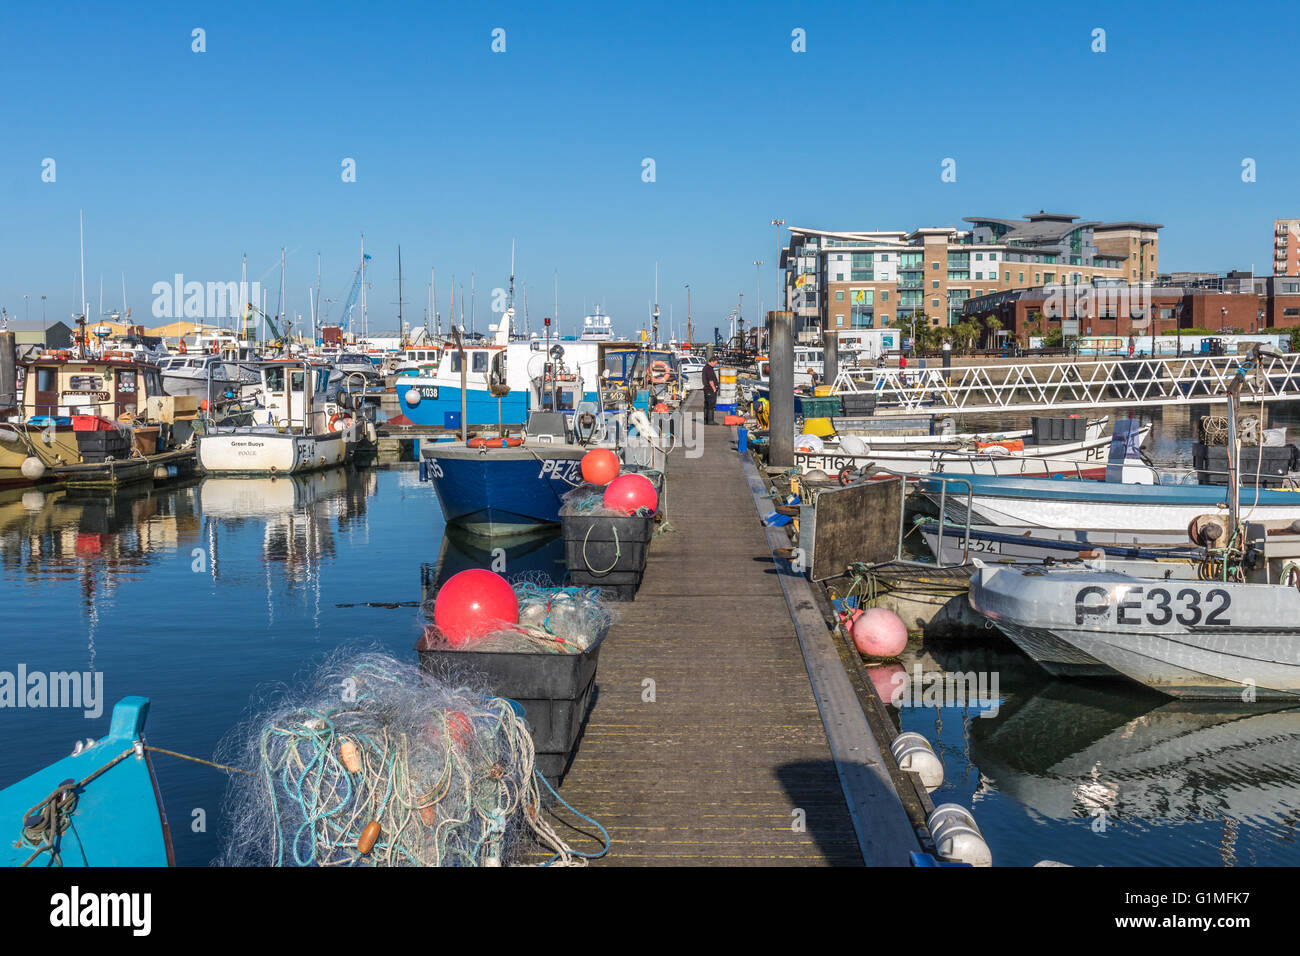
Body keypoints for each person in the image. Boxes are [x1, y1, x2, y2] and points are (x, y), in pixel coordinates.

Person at [701, 356, 719, 424]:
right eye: (715, 363)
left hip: (706, 389)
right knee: (711, 405)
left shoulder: (705, 367)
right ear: (711, 362)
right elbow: (710, 380)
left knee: (706, 405)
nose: (715, 365)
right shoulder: (709, 369)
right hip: (710, 389)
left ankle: (706, 420)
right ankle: (710, 421)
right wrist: (714, 388)